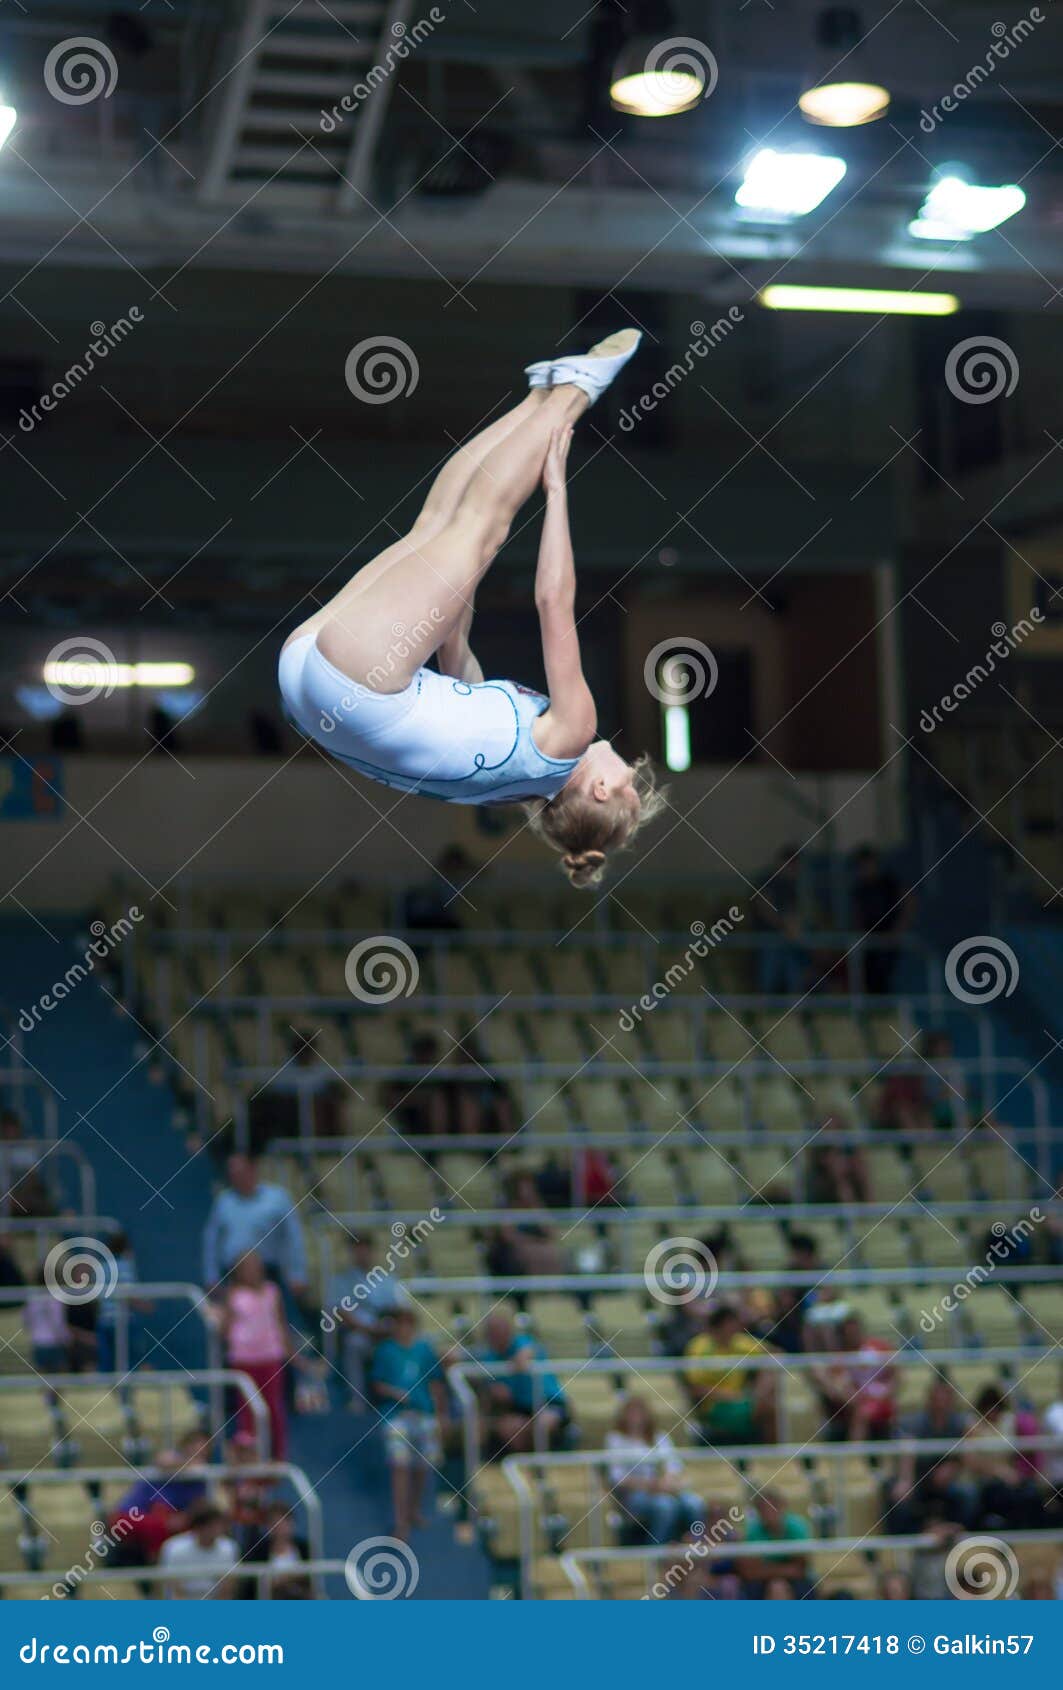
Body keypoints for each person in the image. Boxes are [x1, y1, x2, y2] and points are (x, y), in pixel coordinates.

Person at [277, 332, 666, 889]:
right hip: (312, 687)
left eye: (628, 781)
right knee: (441, 530)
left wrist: (555, 493)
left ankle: (575, 394)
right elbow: (452, 646)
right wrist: (462, 572)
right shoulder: (506, 780)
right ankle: (538, 399)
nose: (629, 766)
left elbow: (554, 601)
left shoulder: (575, 733)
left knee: (478, 529)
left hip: (354, 686)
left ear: (599, 790)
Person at [212, 1251, 313, 1459]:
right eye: (246, 1267)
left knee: (273, 1408)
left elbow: (281, 1325)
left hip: (270, 1357)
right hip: (243, 1359)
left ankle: (276, 1456)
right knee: (249, 1411)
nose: (252, 1270)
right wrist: (217, 1315)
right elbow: (224, 1330)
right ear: (238, 1271)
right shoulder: (232, 1294)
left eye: (255, 1265)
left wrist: (294, 1356)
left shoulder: (271, 1291)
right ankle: (250, 1459)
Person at [369, 1305, 449, 1539]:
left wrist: (440, 1415)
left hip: (423, 1413)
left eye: (408, 1324)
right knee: (400, 1465)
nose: (403, 1329)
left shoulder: (424, 1350)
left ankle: (414, 1509)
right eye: (399, 1324)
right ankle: (400, 1519)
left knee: (423, 1465)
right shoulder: (385, 1351)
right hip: (396, 1414)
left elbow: (435, 1384)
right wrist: (395, 1393)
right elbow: (376, 1383)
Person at [202, 1154, 308, 1300]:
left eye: (240, 1172)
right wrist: (211, 1277)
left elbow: (292, 1238)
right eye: (232, 1174)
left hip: (269, 1274)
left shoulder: (278, 1198)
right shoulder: (223, 1202)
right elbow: (211, 1241)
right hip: (232, 1276)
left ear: (252, 1170)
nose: (236, 1177)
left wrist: (297, 1274)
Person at [605, 1399, 702, 1545]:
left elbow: (674, 1467)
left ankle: (697, 1548)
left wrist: (667, 1482)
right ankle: (655, 1553)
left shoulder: (660, 1437)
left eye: (639, 1413)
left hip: (666, 1487)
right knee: (665, 1506)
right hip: (635, 1493)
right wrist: (649, 1485)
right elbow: (617, 1477)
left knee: (694, 1503)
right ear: (624, 1416)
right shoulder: (616, 1439)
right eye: (631, 1413)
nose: (636, 1418)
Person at [324, 1233, 404, 1411]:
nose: (362, 1255)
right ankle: (357, 1399)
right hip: (358, 1333)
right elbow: (340, 1312)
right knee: (355, 1345)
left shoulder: (387, 1280)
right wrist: (367, 1329)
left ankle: (399, 1397)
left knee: (401, 1344)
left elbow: (398, 1310)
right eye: (358, 1251)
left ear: (372, 1252)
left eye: (365, 1250)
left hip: (385, 1333)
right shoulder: (341, 1281)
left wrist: (385, 1326)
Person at [477, 1310, 570, 1455]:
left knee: (543, 1424)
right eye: (492, 1334)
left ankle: (542, 1469)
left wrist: (522, 1358)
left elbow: (528, 1351)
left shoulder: (523, 1341)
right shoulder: (489, 1357)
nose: (496, 1337)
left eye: (499, 1332)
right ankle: (522, 1469)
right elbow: (497, 1393)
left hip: (550, 1403)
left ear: (509, 1331)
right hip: (519, 1407)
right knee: (509, 1429)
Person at [684, 1304, 777, 1446]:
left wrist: (760, 1388)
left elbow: (776, 1354)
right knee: (763, 1410)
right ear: (720, 1325)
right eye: (731, 1324)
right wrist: (733, 1396)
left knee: (768, 1404)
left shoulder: (740, 1342)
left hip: (745, 1401)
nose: (736, 1328)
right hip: (715, 1405)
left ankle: (770, 1459)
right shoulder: (699, 1346)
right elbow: (697, 1388)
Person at [813, 1312, 896, 1442]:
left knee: (862, 1412)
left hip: (879, 1398)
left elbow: (897, 1372)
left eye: (855, 1330)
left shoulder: (878, 1348)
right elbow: (833, 1381)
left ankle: (856, 1454)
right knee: (857, 1408)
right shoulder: (842, 1356)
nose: (852, 1334)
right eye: (848, 1332)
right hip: (853, 1400)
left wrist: (889, 1391)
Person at [850, 845, 914, 994]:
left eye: (867, 864)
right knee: (867, 978)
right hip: (869, 941)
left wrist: (898, 930)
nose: (864, 869)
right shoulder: (860, 888)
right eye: (861, 866)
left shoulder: (888, 883)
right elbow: (857, 914)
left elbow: (910, 902)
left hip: (888, 939)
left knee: (886, 977)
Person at [737, 1491, 813, 1598]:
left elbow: (801, 1568)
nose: (768, 1512)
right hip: (762, 1582)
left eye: (772, 1507)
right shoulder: (753, 1531)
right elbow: (749, 1571)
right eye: (763, 1508)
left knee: (784, 1587)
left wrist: (765, 1569)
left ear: (782, 1507)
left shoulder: (797, 1527)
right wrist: (787, 1569)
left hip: (796, 1581)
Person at [159, 1500, 239, 1599]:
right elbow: (175, 1589)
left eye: (218, 1524)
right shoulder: (174, 1548)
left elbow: (227, 1589)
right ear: (198, 1527)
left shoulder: (229, 1547)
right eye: (211, 1525)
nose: (217, 1528)